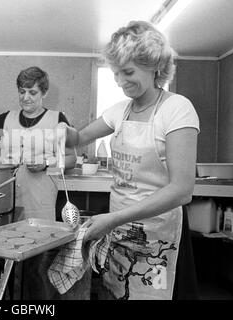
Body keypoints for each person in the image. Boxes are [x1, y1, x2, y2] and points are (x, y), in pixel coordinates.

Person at [78, 21, 200, 300]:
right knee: (120, 291)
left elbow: (182, 190)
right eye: (116, 73)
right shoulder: (119, 111)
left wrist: (113, 219)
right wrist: (62, 135)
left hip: (159, 235)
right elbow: (80, 136)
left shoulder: (177, 108)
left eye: (128, 72)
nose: (120, 82)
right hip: (120, 233)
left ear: (154, 66)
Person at [0, 66, 84, 299]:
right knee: (6, 270)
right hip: (7, 205)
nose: (25, 97)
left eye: (32, 92)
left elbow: (72, 158)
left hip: (39, 204)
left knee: (37, 271)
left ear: (44, 93)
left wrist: (46, 163)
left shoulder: (57, 119)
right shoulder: (6, 118)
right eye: (22, 92)